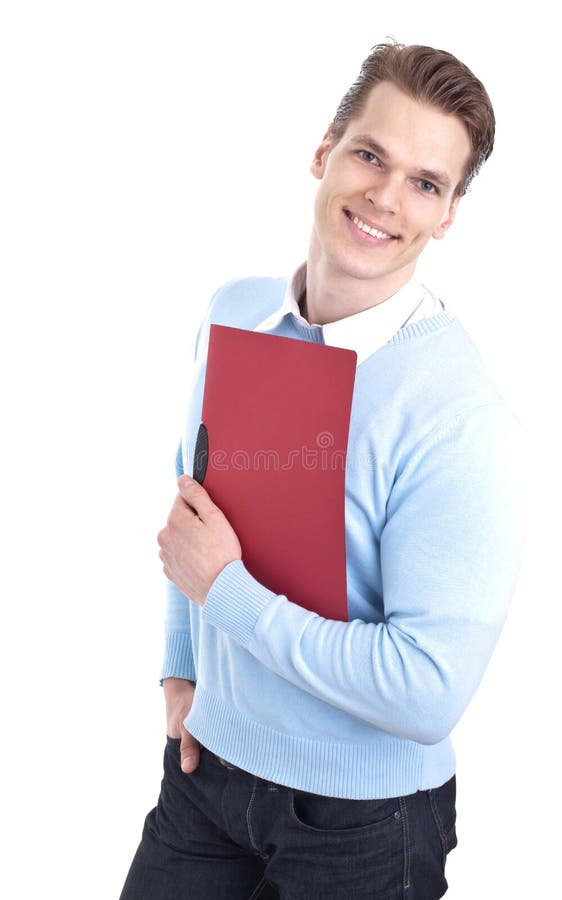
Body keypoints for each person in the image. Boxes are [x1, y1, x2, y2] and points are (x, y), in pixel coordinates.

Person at [120, 41, 526, 900]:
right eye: (370, 155)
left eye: (426, 182)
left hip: (363, 829)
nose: (385, 197)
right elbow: (191, 511)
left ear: (448, 215)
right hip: (205, 778)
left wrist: (224, 592)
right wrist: (178, 669)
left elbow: (425, 694)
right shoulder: (235, 312)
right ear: (324, 151)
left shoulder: (458, 414)